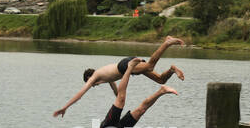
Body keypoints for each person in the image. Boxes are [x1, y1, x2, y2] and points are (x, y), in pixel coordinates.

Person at [52, 35, 185, 118]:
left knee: (150, 66)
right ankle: (172, 70)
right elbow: (117, 91)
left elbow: (80, 94)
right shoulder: (104, 76)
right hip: (126, 66)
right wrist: (119, 105)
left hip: (125, 66)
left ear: (89, 78)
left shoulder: (95, 76)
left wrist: (65, 107)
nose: (93, 85)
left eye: (91, 83)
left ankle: (167, 42)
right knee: (160, 79)